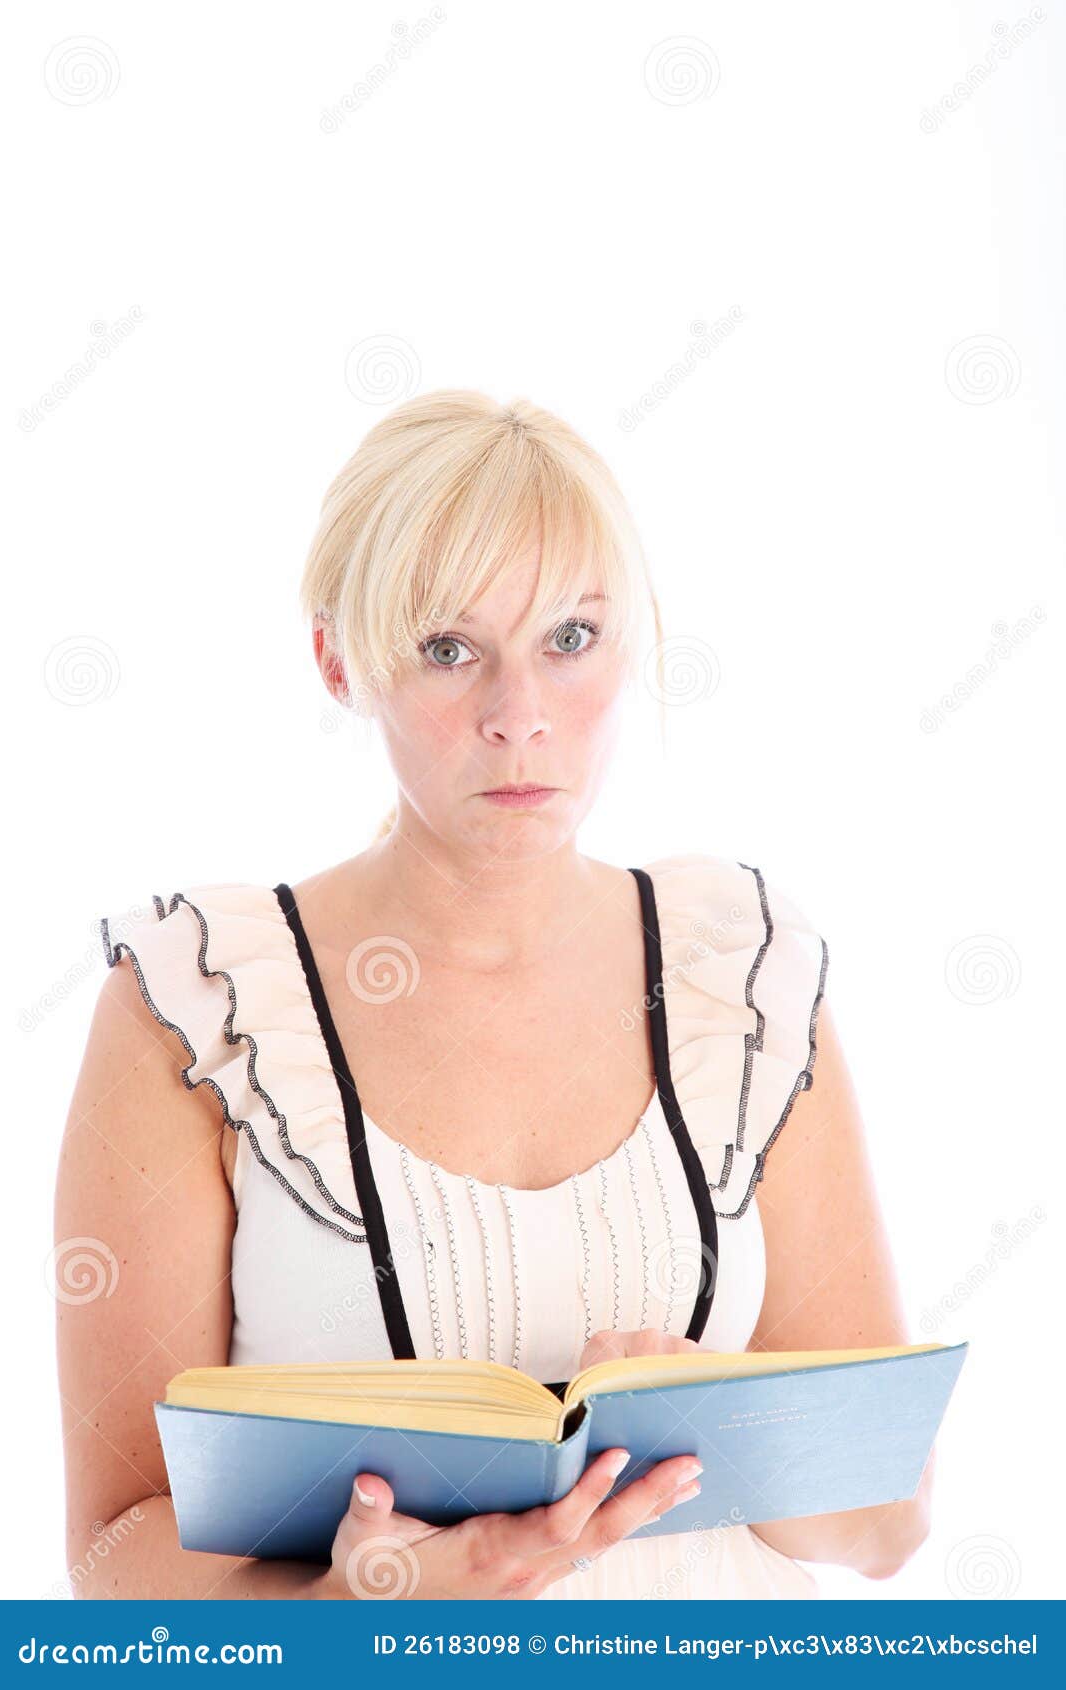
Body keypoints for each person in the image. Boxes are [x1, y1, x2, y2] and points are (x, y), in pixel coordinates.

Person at [56, 389, 932, 1600]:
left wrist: (715, 1415)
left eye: (570, 637)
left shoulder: (741, 973)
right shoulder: (195, 1002)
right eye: (447, 647)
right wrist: (343, 1612)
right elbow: (111, 1551)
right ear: (337, 658)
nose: (519, 717)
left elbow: (888, 1523)